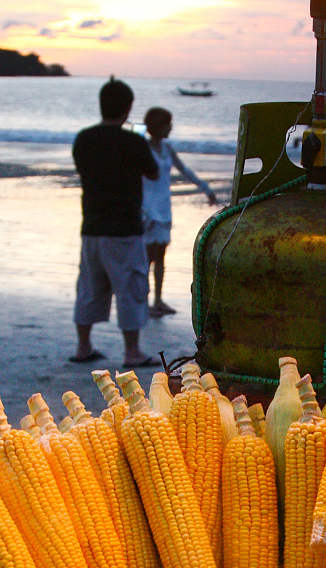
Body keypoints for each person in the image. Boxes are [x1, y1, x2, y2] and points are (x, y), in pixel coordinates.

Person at [70, 77, 159, 367]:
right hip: (124, 227)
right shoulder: (133, 141)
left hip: (92, 226)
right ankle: (132, 351)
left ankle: (83, 346)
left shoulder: (84, 138)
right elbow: (153, 172)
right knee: (130, 289)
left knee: (89, 288)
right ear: (128, 108)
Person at [140, 107, 217, 317]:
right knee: (147, 259)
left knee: (161, 256)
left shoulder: (167, 148)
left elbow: (185, 171)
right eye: (167, 124)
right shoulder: (143, 148)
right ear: (158, 126)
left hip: (164, 208)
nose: (170, 127)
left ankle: (157, 300)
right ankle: (143, 301)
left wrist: (206, 189)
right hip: (147, 209)